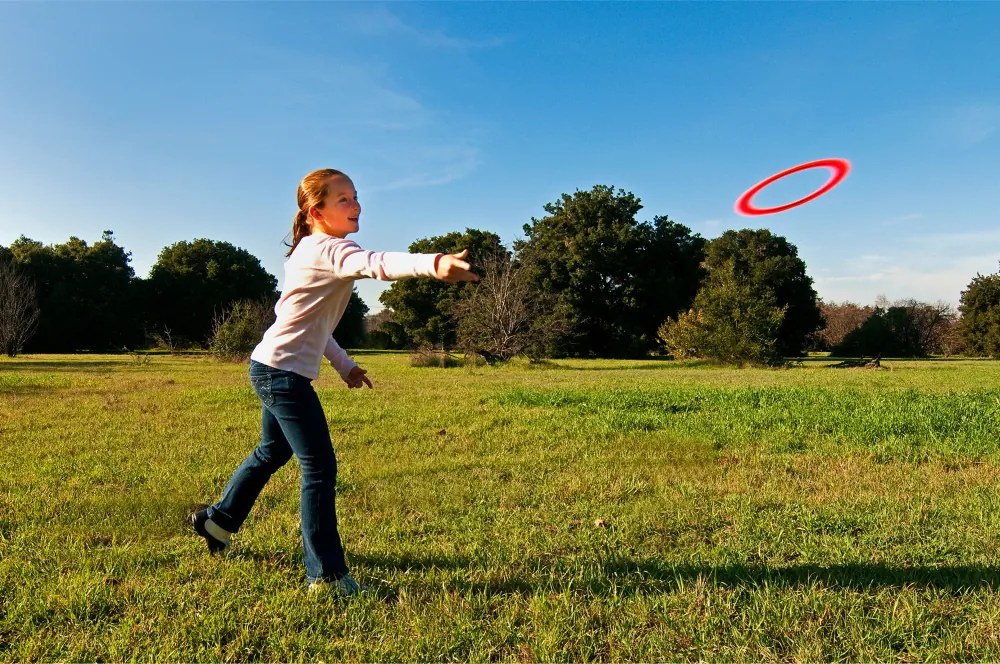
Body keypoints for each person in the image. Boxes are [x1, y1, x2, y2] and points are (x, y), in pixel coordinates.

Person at [190, 168, 479, 596]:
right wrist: (432, 263)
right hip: (281, 374)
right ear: (315, 210)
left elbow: (316, 327)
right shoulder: (327, 249)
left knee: (271, 451)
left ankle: (218, 521)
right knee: (319, 468)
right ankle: (325, 576)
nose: (356, 205)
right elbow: (374, 263)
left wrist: (345, 366)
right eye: (344, 199)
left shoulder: (313, 251)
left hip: (272, 367)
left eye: (356, 197)